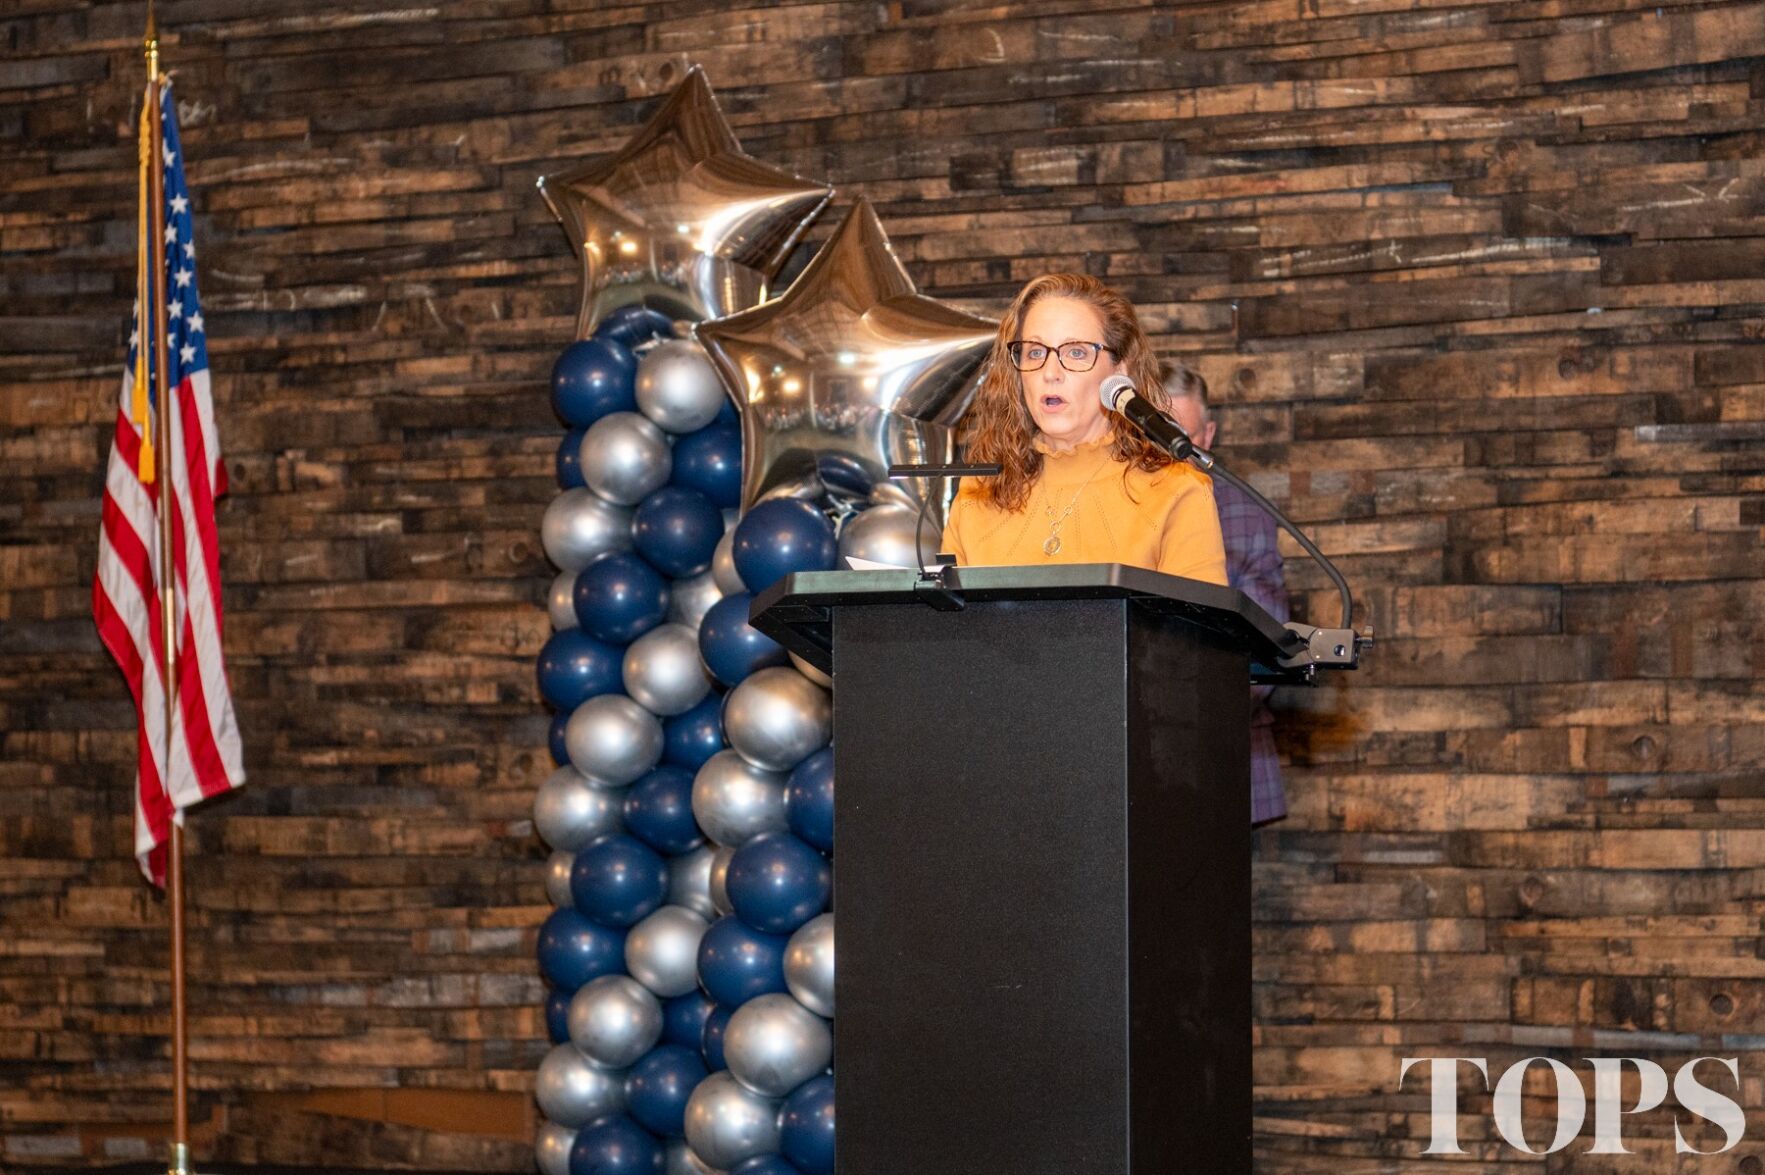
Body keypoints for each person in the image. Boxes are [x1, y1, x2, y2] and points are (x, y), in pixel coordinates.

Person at [940, 274, 1227, 585]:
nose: (1050, 373)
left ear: (1119, 371)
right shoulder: (979, 489)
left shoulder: (1178, 489)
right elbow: (950, 630)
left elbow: (1196, 632)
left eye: (1076, 352)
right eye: (1035, 352)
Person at [1163, 362, 1291, 825]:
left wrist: (1174, 714)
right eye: (1159, 437)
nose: (1171, 453)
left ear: (1209, 435)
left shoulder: (1246, 516)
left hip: (1224, 755)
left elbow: (1265, 648)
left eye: (1184, 439)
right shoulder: (1109, 510)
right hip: (1128, 756)